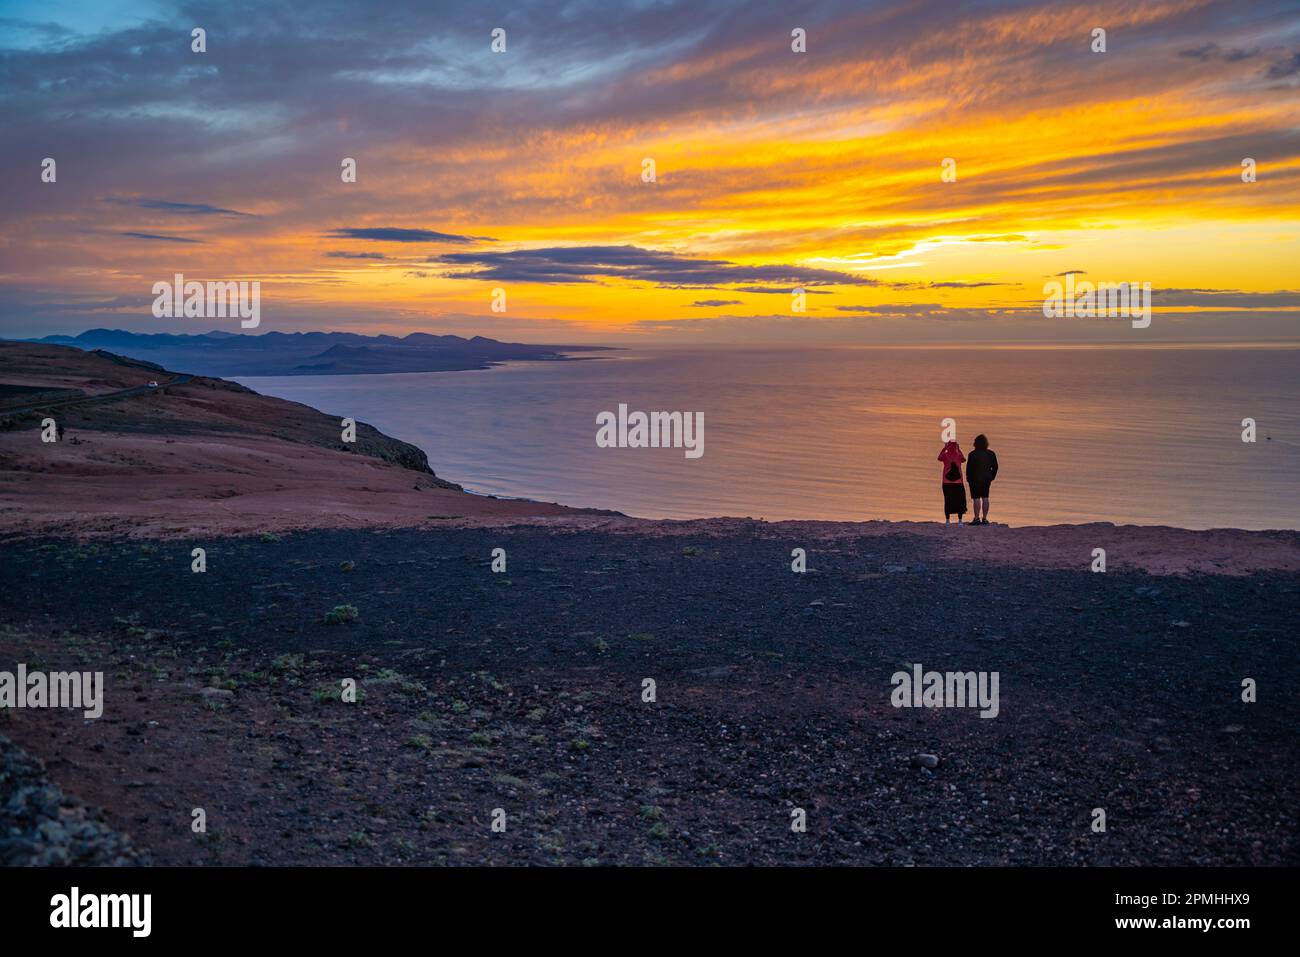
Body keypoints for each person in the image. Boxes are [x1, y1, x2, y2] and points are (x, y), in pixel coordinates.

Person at [966, 433, 999, 525]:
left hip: (974, 479)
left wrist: (968, 478)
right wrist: (992, 476)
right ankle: (984, 518)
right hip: (986, 478)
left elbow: (969, 468)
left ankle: (976, 518)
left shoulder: (972, 454)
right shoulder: (991, 454)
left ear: (975, 443)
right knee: (985, 497)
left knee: (976, 498)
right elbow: (995, 467)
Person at [937, 439, 967, 525]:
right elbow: (964, 459)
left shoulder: (945, 455)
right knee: (959, 501)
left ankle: (947, 520)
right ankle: (960, 521)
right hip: (958, 482)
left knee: (947, 501)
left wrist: (944, 448)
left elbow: (939, 458)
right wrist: (958, 449)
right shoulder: (958, 455)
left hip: (946, 482)